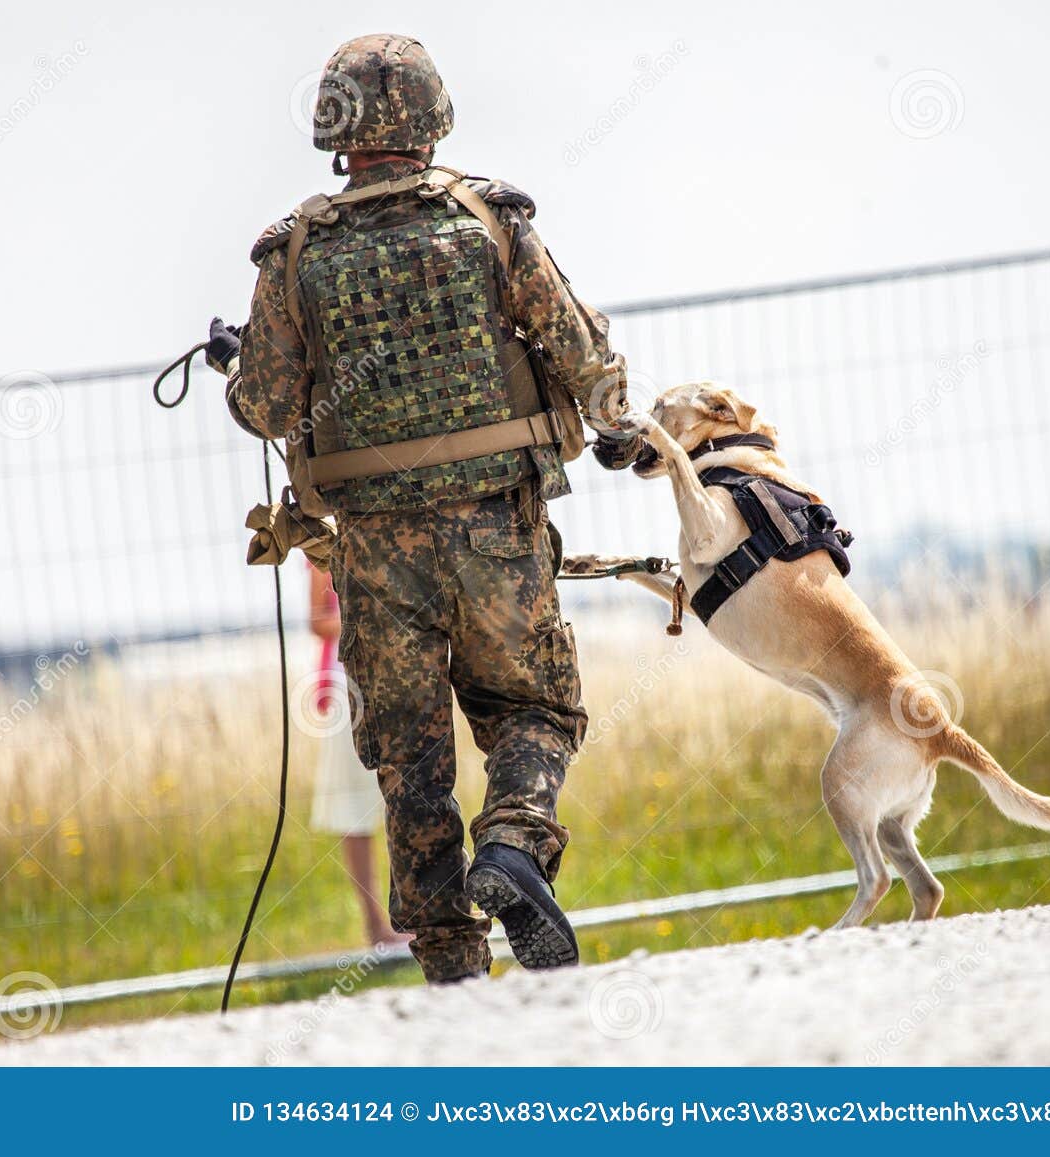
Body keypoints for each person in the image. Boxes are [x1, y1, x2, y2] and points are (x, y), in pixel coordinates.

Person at [204, 33, 644, 983]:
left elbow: (270, 408)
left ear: (336, 128)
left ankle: (448, 961)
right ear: (433, 119)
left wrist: (236, 363)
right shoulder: (492, 220)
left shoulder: (295, 253)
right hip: (498, 528)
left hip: (373, 551)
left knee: (409, 756)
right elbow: (579, 351)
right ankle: (518, 842)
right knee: (533, 705)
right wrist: (623, 429)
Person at [306, 562, 410, 948]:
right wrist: (372, 621)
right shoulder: (321, 547)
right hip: (347, 680)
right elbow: (318, 621)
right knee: (355, 807)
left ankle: (414, 915)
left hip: (393, 671)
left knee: (406, 794)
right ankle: (376, 927)